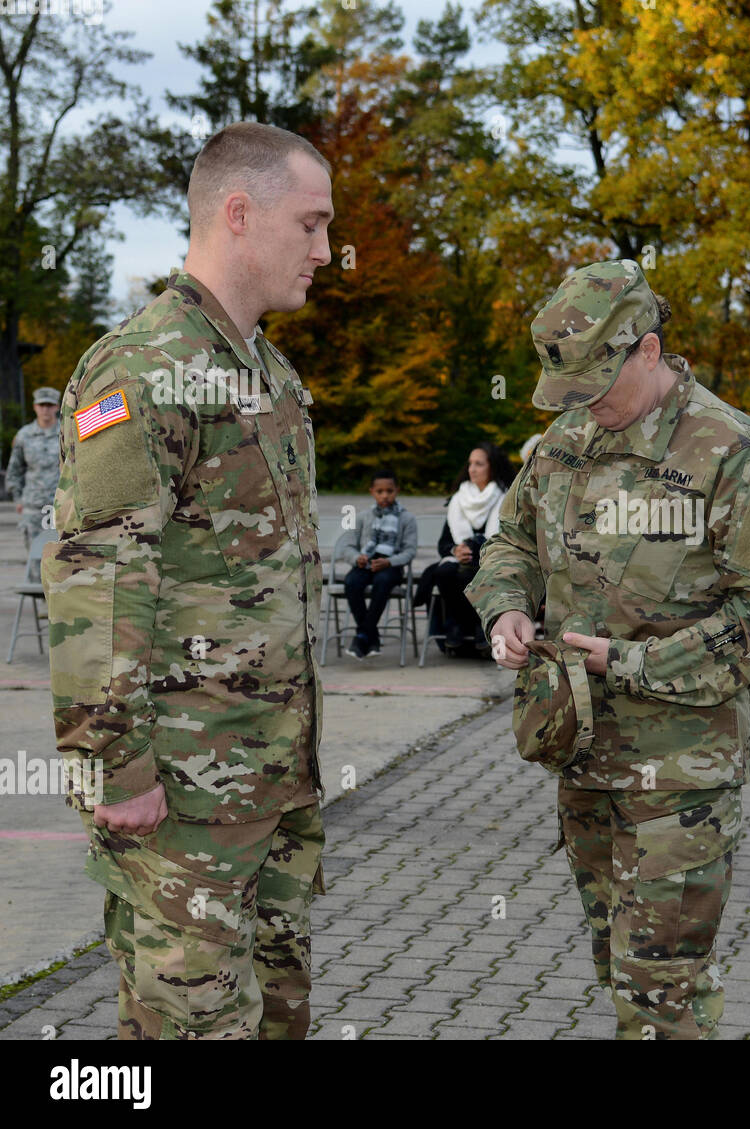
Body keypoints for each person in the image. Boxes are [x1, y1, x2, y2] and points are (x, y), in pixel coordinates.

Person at [467, 259, 750, 1039]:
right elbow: (510, 541)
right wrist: (506, 609)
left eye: (595, 389)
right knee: (617, 966)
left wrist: (631, 664)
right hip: (581, 757)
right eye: (570, 396)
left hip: (680, 775)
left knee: (661, 992)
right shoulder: (564, 442)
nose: (584, 410)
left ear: (648, 352)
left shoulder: (734, 452)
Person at [42, 121, 333, 1039]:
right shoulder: (140, 368)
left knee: (277, 1017)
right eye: (313, 225)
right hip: (180, 797)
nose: (327, 252)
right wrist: (117, 767)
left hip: (271, 783)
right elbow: (99, 580)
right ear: (240, 215)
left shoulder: (271, 375)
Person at [413, 443, 514, 657]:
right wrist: (455, 551)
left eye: (479, 464)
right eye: (470, 464)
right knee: (445, 572)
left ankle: (480, 627)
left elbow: (511, 539)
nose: (472, 469)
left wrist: (482, 552)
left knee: (472, 573)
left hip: (493, 562)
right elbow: (443, 544)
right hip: (461, 563)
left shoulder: (506, 498)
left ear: (492, 467)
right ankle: (457, 627)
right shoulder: (459, 500)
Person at [343, 468, 419, 659]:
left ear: (397, 491)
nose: (385, 495)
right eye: (380, 491)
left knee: (383, 582)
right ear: (372, 492)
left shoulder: (407, 518)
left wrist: (389, 562)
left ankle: (362, 635)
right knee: (352, 582)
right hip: (365, 563)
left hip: (390, 566)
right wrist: (356, 558)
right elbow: (347, 546)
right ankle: (371, 636)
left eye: (389, 491)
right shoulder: (361, 517)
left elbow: (409, 551)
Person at [6, 386, 62, 548]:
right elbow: (14, 470)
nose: (45, 409)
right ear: (35, 407)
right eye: (41, 405)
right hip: (32, 506)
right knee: (34, 557)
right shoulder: (24, 435)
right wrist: (17, 499)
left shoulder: (66, 434)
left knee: (61, 560)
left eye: (49, 405)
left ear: (57, 407)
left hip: (60, 506)